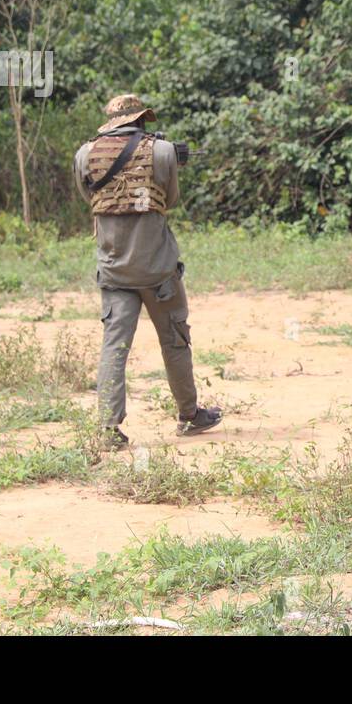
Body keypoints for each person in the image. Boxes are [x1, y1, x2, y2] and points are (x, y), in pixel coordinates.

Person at [73, 94, 221, 446]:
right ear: (140, 119)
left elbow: (90, 200)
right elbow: (170, 200)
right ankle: (189, 415)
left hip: (113, 269)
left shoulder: (85, 154)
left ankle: (108, 430)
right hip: (157, 270)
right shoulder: (163, 151)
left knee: (114, 347)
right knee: (175, 340)